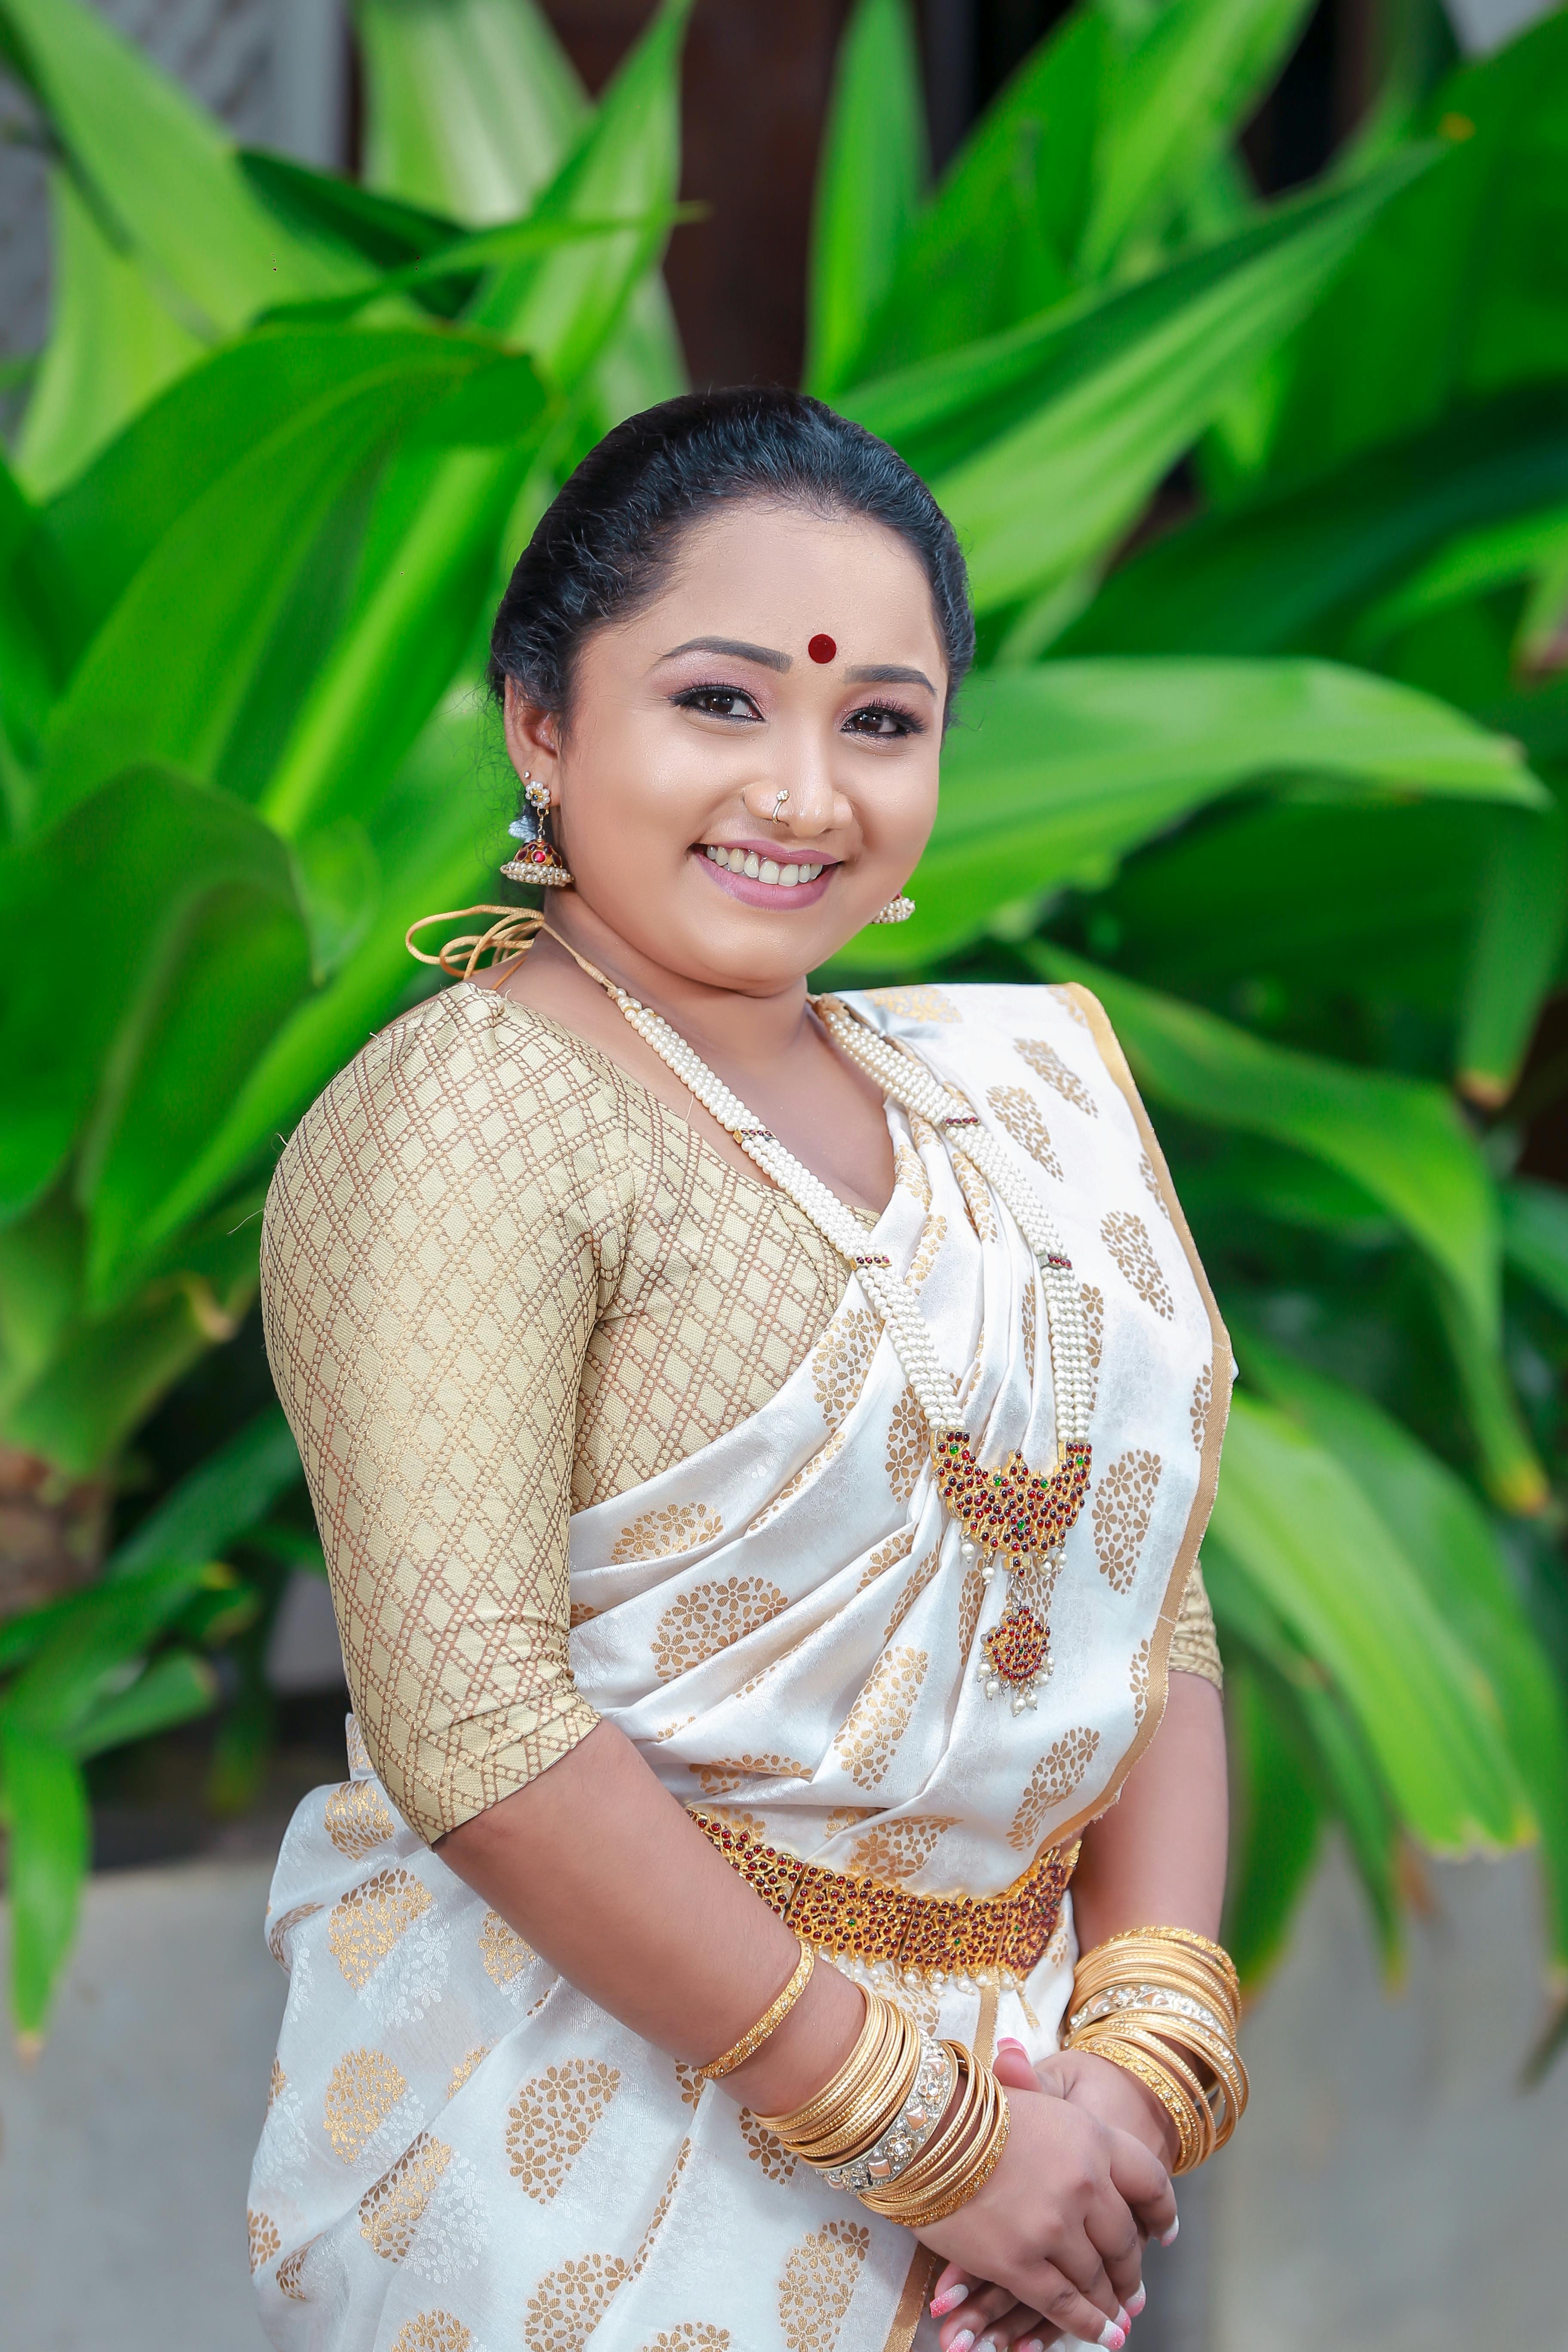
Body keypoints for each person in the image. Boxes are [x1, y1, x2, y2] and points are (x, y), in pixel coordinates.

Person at [247, 388, 1241, 2352]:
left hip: (1030, 2153)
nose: (803, 793)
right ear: (542, 724)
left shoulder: (1001, 1106)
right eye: (721, 702)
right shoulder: (477, 1115)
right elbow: (473, 1724)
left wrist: (1143, 2052)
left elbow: (1140, 1599)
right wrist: (922, 2134)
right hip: (589, 2138)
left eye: (880, 721)